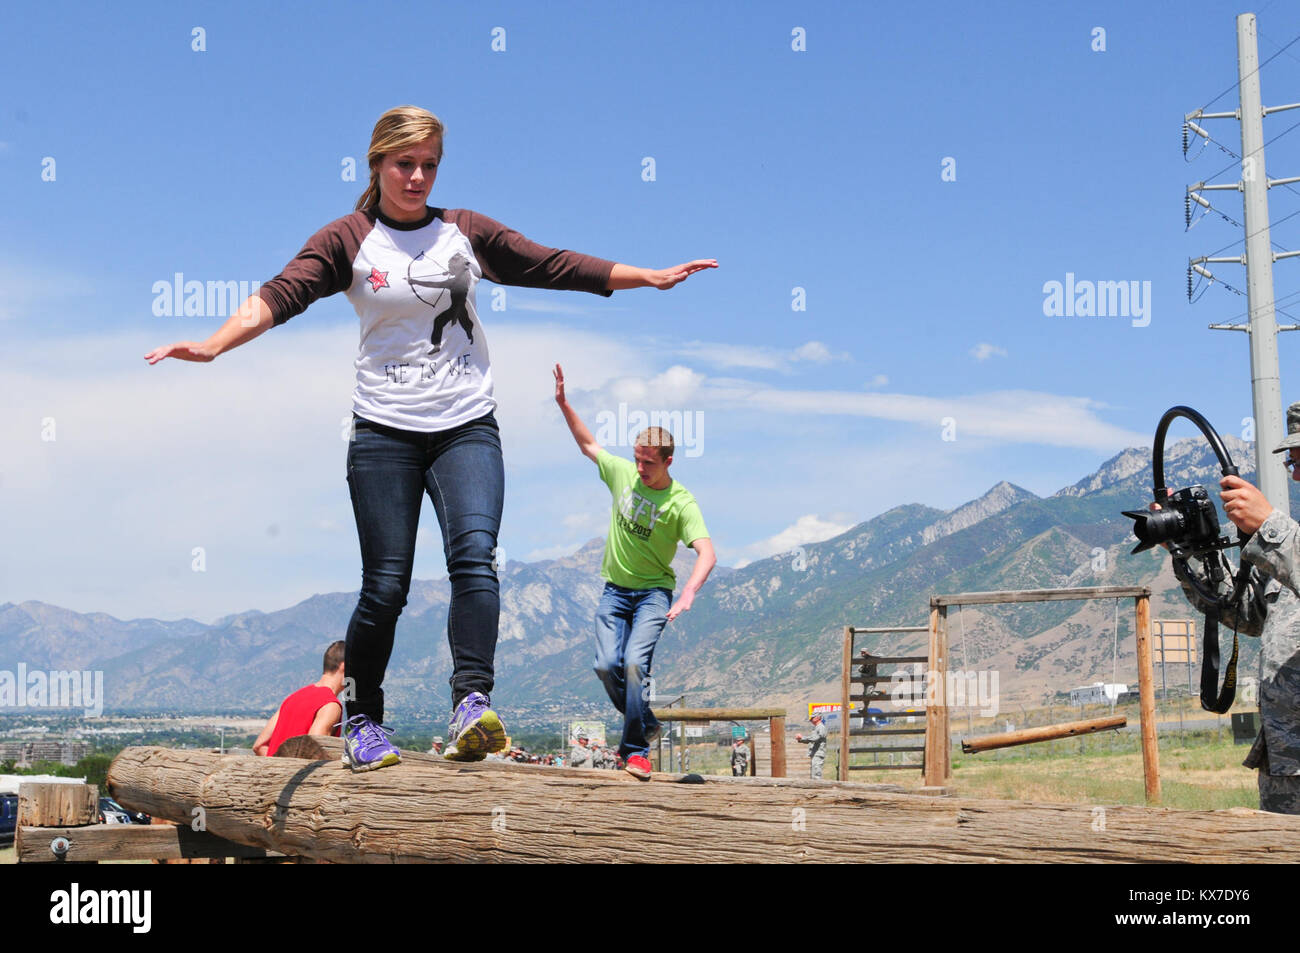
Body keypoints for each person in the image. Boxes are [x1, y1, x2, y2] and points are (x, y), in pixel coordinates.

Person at [145, 106, 716, 770]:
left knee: (475, 557)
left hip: (466, 427)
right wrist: (214, 346)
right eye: (404, 163)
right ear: (378, 163)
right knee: (386, 584)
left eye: (429, 165)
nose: (417, 177)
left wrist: (642, 275)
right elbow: (281, 293)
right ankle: (361, 718)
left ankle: (472, 702)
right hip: (384, 433)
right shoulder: (350, 238)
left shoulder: (462, 233)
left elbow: (549, 263)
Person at [554, 365, 716, 781]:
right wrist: (563, 404)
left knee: (633, 666)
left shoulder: (682, 503)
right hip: (614, 592)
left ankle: (635, 749)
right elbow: (589, 444)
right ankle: (644, 720)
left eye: (648, 463)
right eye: (637, 460)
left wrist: (690, 593)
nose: (640, 469)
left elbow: (707, 552)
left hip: (653, 596)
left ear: (668, 461)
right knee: (606, 665)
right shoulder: (624, 474)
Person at [1212, 402, 1300, 814]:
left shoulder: (1289, 541)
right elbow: (1247, 613)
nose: (1296, 473)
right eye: (1292, 462)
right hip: (1286, 768)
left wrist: (1270, 526)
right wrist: (1194, 553)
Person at [253, 641, 346, 759]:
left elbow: (259, 746)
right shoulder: (330, 705)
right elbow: (314, 752)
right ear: (344, 666)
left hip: (276, 775)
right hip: (304, 777)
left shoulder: (292, 698)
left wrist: (280, 767)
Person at [796, 711, 828, 779]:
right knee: (814, 773)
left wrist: (802, 738)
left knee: (816, 774)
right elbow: (812, 740)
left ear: (818, 718)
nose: (811, 720)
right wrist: (801, 739)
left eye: (812, 718)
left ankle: (818, 788)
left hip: (818, 753)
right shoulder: (817, 727)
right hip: (815, 753)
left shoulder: (821, 727)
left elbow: (815, 738)